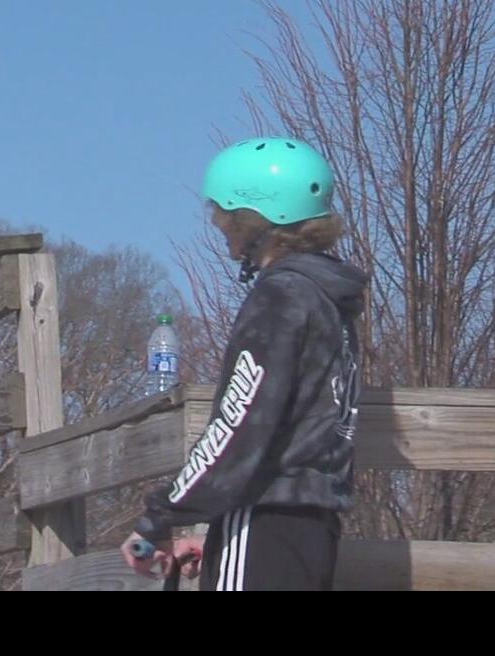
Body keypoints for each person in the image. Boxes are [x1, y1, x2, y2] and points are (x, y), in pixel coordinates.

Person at [121, 137, 368, 591]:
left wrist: (161, 518)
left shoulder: (280, 297)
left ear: (258, 220)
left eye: (226, 215)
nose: (220, 227)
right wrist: (212, 530)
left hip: (263, 522)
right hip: (313, 527)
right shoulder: (330, 301)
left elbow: (238, 424)